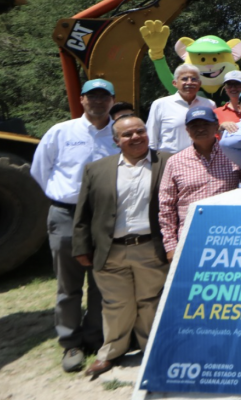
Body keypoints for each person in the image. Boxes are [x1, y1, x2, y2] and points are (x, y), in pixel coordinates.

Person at [31, 79, 119, 373]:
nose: (97, 101)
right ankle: (71, 343)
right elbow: (39, 170)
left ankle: (95, 337)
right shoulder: (61, 132)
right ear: (81, 100)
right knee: (68, 286)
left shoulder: (118, 134)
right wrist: (64, 199)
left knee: (101, 282)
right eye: (92, 96)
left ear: (112, 100)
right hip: (66, 215)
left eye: (103, 96)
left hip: (105, 217)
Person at [72, 116, 171, 377]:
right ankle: (111, 353)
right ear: (117, 141)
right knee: (116, 304)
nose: (136, 137)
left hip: (150, 248)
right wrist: (81, 247)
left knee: (149, 303)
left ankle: (152, 351)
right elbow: (83, 213)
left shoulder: (168, 162)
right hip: (110, 250)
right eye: (127, 135)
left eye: (140, 131)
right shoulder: (96, 169)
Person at [158, 107, 241, 260]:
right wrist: (171, 246)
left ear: (216, 126)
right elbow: (166, 206)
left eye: (205, 124)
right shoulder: (175, 162)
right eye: (194, 125)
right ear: (187, 129)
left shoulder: (234, 154)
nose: (200, 129)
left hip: (230, 235)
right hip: (190, 237)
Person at [146, 64, 215, 154]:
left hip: (200, 160)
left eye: (194, 79)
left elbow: (214, 132)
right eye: (184, 79)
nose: (189, 82)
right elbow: (151, 136)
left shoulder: (209, 104)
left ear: (200, 84)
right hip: (168, 158)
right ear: (175, 83)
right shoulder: (160, 104)